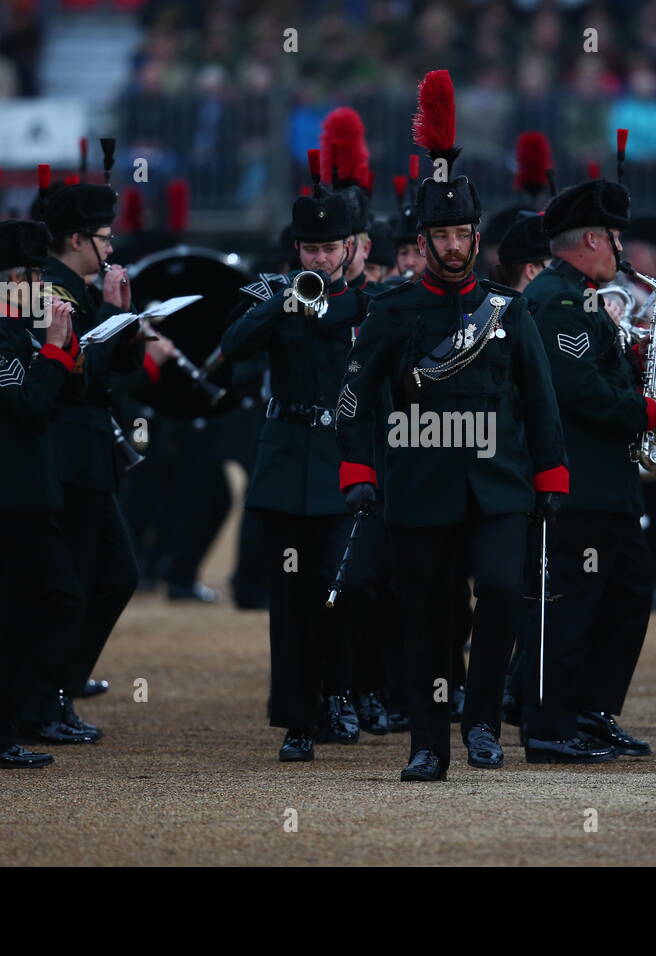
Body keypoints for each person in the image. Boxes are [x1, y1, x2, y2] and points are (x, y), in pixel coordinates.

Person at [336, 70, 568, 782]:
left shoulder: (509, 309)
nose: (454, 244)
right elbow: (355, 397)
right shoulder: (393, 310)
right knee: (427, 618)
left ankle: (482, 723)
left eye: (463, 232)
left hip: (497, 483)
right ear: (426, 238)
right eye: (440, 234)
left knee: (501, 590)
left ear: (474, 234)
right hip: (419, 480)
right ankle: (428, 743)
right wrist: (359, 469)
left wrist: (551, 472)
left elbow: (540, 395)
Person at [214, 152, 372, 761]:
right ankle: (298, 718)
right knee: (290, 595)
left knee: (349, 585)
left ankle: (337, 688)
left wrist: (328, 306)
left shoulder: (368, 303)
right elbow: (232, 345)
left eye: (330, 249)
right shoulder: (272, 293)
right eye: (309, 249)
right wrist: (283, 302)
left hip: (342, 461)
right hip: (285, 459)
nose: (320, 259)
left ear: (351, 248)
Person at [519, 172, 656, 763]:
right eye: (617, 237)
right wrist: (643, 408)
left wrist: (632, 355)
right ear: (595, 239)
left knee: (626, 596)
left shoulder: (576, 297)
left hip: (605, 485)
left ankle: (592, 713)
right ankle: (551, 726)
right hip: (576, 485)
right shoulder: (557, 299)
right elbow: (579, 391)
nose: (623, 250)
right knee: (570, 607)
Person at [0, 219, 84, 769]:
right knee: (7, 615)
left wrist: (67, 344)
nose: (41, 285)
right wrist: (53, 350)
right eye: (31, 275)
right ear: (0, 283)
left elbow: (60, 393)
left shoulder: (15, 332)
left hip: (28, 492)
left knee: (56, 601)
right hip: (0, 496)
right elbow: (28, 403)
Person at [35, 183, 150, 741]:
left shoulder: (76, 288)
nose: (111, 248)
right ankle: (46, 699)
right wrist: (108, 311)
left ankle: (60, 687)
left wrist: (123, 320)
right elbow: (80, 377)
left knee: (114, 575)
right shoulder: (53, 294)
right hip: (66, 456)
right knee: (75, 583)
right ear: (77, 239)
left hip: (88, 457)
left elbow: (114, 373)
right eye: (104, 238)